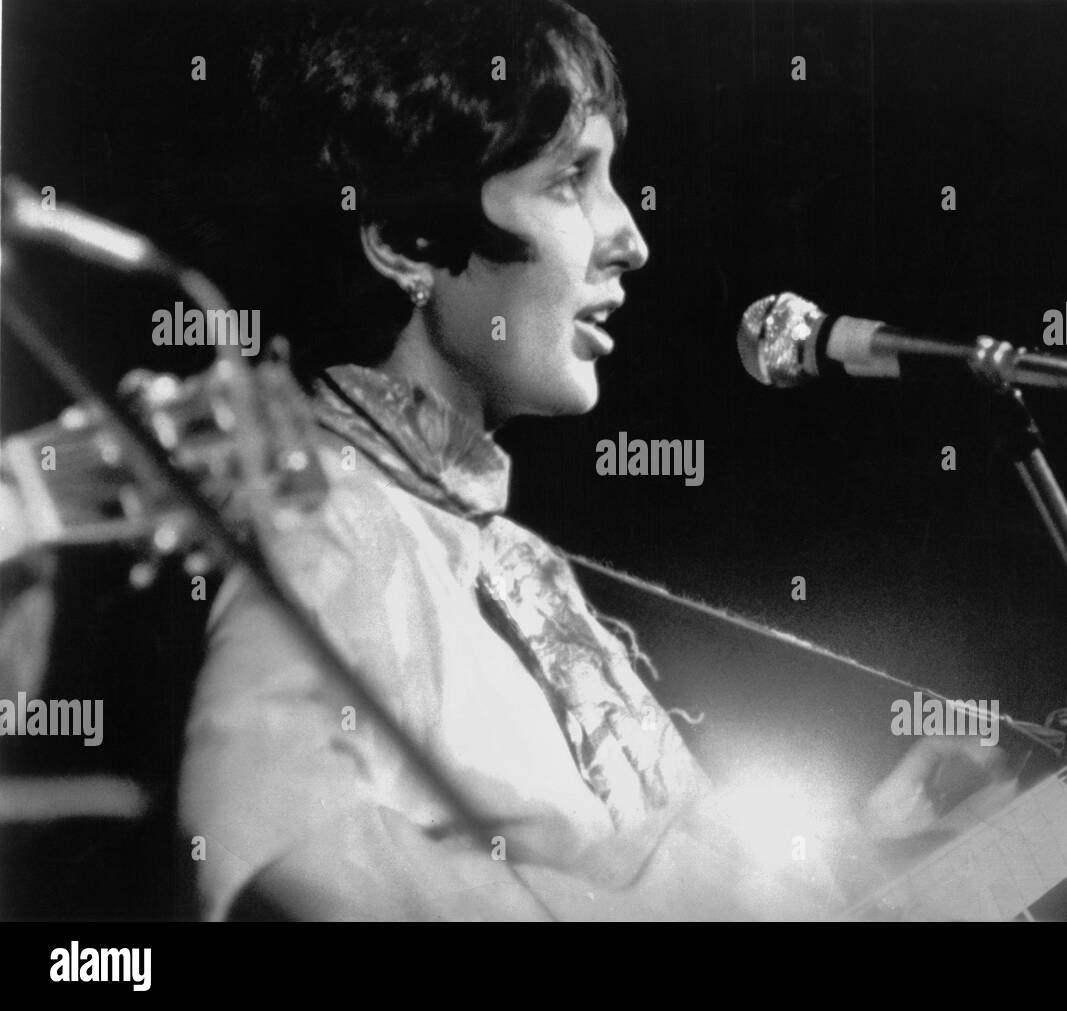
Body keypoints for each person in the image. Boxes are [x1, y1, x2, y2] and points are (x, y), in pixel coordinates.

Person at [178, 0, 1009, 921]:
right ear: (407, 239)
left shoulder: (509, 557)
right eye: (572, 179)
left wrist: (871, 851)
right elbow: (272, 847)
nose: (632, 238)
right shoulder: (334, 516)